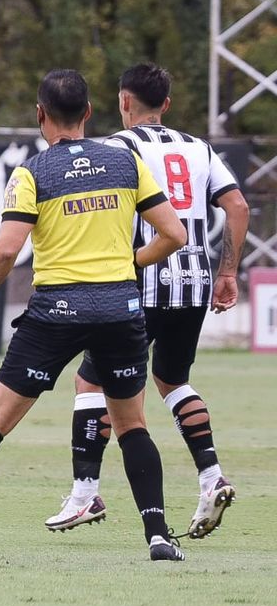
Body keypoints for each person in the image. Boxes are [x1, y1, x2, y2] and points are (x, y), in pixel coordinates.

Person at [0, 69, 189, 561]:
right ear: (88, 113)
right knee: (132, 426)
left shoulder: (32, 173)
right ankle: (159, 537)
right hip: (119, 311)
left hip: (55, 315)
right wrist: (125, 264)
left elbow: (5, 252)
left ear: (40, 115)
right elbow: (174, 235)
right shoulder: (126, 161)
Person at [45, 63, 249, 538]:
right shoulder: (199, 148)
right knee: (172, 378)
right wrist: (229, 272)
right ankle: (210, 476)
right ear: (168, 105)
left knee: (90, 384)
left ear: (123, 102)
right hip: (195, 281)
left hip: (138, 282)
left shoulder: (118, 147)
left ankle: (84, 493)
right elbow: (236, 205)